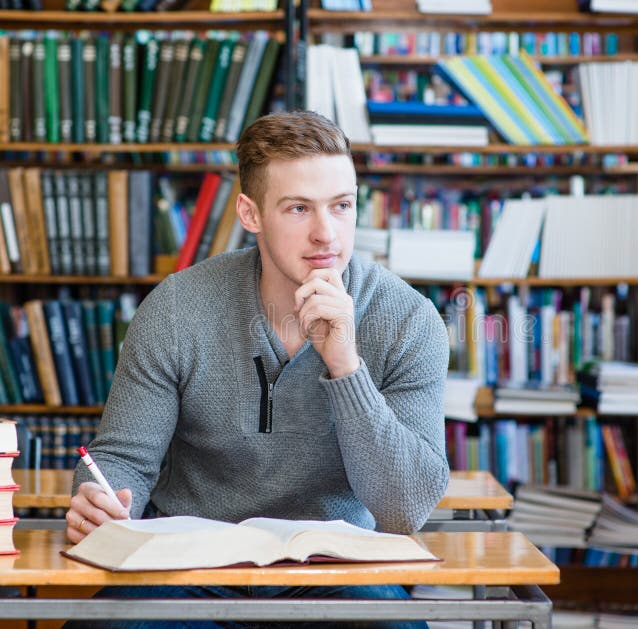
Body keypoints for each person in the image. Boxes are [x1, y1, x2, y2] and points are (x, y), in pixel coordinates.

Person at [65, 110, 450, 628]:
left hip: (338, 573)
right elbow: (122, 459)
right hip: (188, 568)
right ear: (250, 214)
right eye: (298, 209)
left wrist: (344, 364)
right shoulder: (178, 306)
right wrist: (101, 503)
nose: (326, 234)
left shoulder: (408, 320)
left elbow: (404, 510)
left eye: (342, 206)